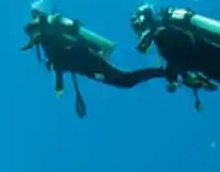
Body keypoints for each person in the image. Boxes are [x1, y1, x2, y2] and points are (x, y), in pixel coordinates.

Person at [23, 9, 168, 119]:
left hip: (89, 64)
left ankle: (162, 71)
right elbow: (60, 61)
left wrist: (59, 86)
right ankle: (161, 71)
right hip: (88, 65)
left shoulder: (49, 42)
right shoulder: (50, 41)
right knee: (126, 81)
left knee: (126, 81)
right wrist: (59, 85)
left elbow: (59, 62)